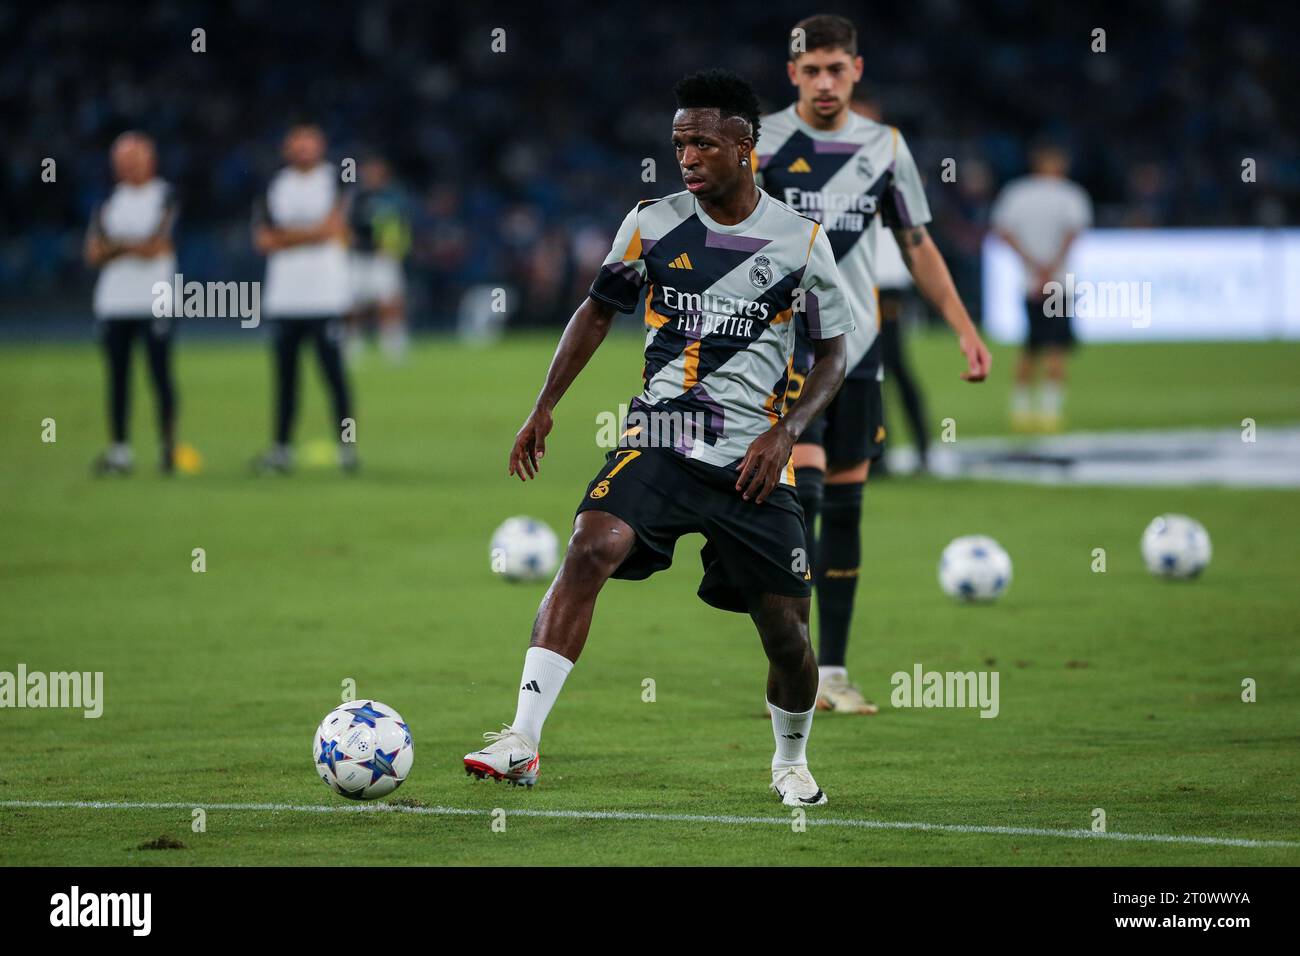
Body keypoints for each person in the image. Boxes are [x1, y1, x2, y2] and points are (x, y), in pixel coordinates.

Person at [464, 69, 854, 806]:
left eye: (704, 143)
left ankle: (790, 759)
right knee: (590, 545)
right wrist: (544, 405)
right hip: (663, 433)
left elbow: (833, 353)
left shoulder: (799, 243)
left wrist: (789, 432)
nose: (688, 157)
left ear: (745, 146)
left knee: (785, 635)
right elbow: (597, 311)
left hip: (753, 459)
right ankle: (522, 739)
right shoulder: (651, 221)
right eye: (679, 143)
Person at [753, 14, 990, 712]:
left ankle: (832, 673)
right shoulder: (759, 144)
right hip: (778, 354)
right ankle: (794, 669)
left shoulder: (885, 147)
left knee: (848, 505)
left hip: (855, 350)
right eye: (811, 70)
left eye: (837, 69)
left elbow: (916, 244)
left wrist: (963, 327)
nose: (825, 82)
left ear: (857, 71)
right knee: (809, 498)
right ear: (791, 73)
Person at [252, 124, 358, 473]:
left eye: (309, 145)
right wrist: (312, 234)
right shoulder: (274, 184)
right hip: (284, 297)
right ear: (287, 149)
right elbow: (263, 240)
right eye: (297, 146)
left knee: (334, 376)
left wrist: (288, 235)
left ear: (321, 147)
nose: (303, 152)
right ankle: (281, 449)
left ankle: (347, 448)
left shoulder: (337, 179)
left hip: (325, 295)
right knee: (285, 379)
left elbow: (334, 228)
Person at [85, 132, 180, 475]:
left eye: (134, 158)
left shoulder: (165, 195)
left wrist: (116, 246)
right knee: (117, 379)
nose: (127, 165)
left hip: (155, 300)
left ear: (150, 160)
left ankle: (168, 449)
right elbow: (93, 254)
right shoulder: (108, 199)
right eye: (122, 159)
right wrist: (131, 246)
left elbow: (155, 247)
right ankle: (120, 451)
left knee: (160, 376)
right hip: (113, 302)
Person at [990, 143, 1092, 432]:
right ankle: (1050, 411)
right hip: (1058, 282)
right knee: (1056, 347)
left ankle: (1020, 409)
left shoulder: (1017, 193)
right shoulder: (1070, 195)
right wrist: (1050, 268)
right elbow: (1073, 234)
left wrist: (1032, 266)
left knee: (1031, 345)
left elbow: (1003, 232)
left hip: (1030, 281)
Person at [345, 156, 412, 364]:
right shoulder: (355, 197)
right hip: (357, 255)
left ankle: (393, 345)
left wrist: (396, 248)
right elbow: (343, 223)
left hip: (383, 256)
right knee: (353, 303)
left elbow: (401, 226)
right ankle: (352, 344)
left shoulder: (394, 197)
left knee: (390, 301)